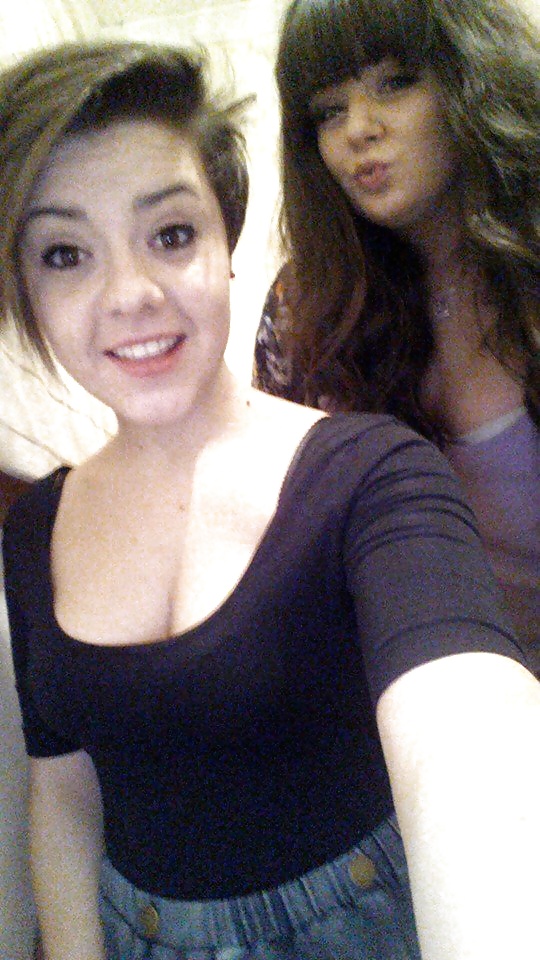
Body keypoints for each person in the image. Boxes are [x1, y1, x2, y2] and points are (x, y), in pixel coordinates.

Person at [1, 38, 539, 960]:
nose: (130, 294)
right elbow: (64, 790)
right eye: (65, 254)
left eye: (171, 234)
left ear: (226, 241)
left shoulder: (373, 475)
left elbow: (465, 736)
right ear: (27, 293)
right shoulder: (32, 532)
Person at [252, 0, 539, 672]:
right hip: (423, 685)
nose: (359, 130)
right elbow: (286, 524)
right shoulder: (306, 313)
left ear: (474, 79)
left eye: (395, 83)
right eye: (329, 111)